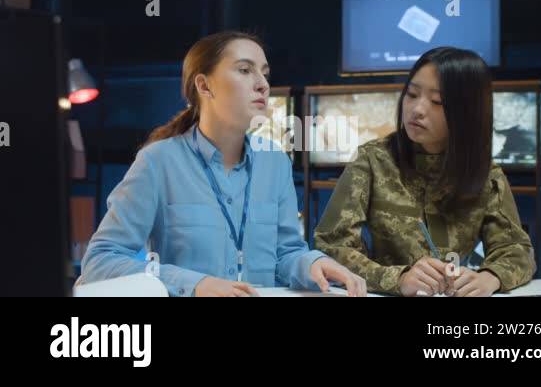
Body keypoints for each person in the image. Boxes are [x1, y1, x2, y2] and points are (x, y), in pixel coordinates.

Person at [81, 31, 367, 297]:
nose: (263, 84)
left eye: (265, 74)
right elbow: (100, 261)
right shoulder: (158, 161)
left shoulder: (276, 162)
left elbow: (285, 253)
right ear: (204, 85)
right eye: (245, 70)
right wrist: (194, 284)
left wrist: (313, 262)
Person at [314, 47, 536, 297]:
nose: (417, 109)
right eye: (411, 94)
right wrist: (396, 278)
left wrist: (491, 277)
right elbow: (331, 245)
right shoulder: (373, 160)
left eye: (437, 101)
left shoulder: (485, 174)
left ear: (467, 111)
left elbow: (517, 250)